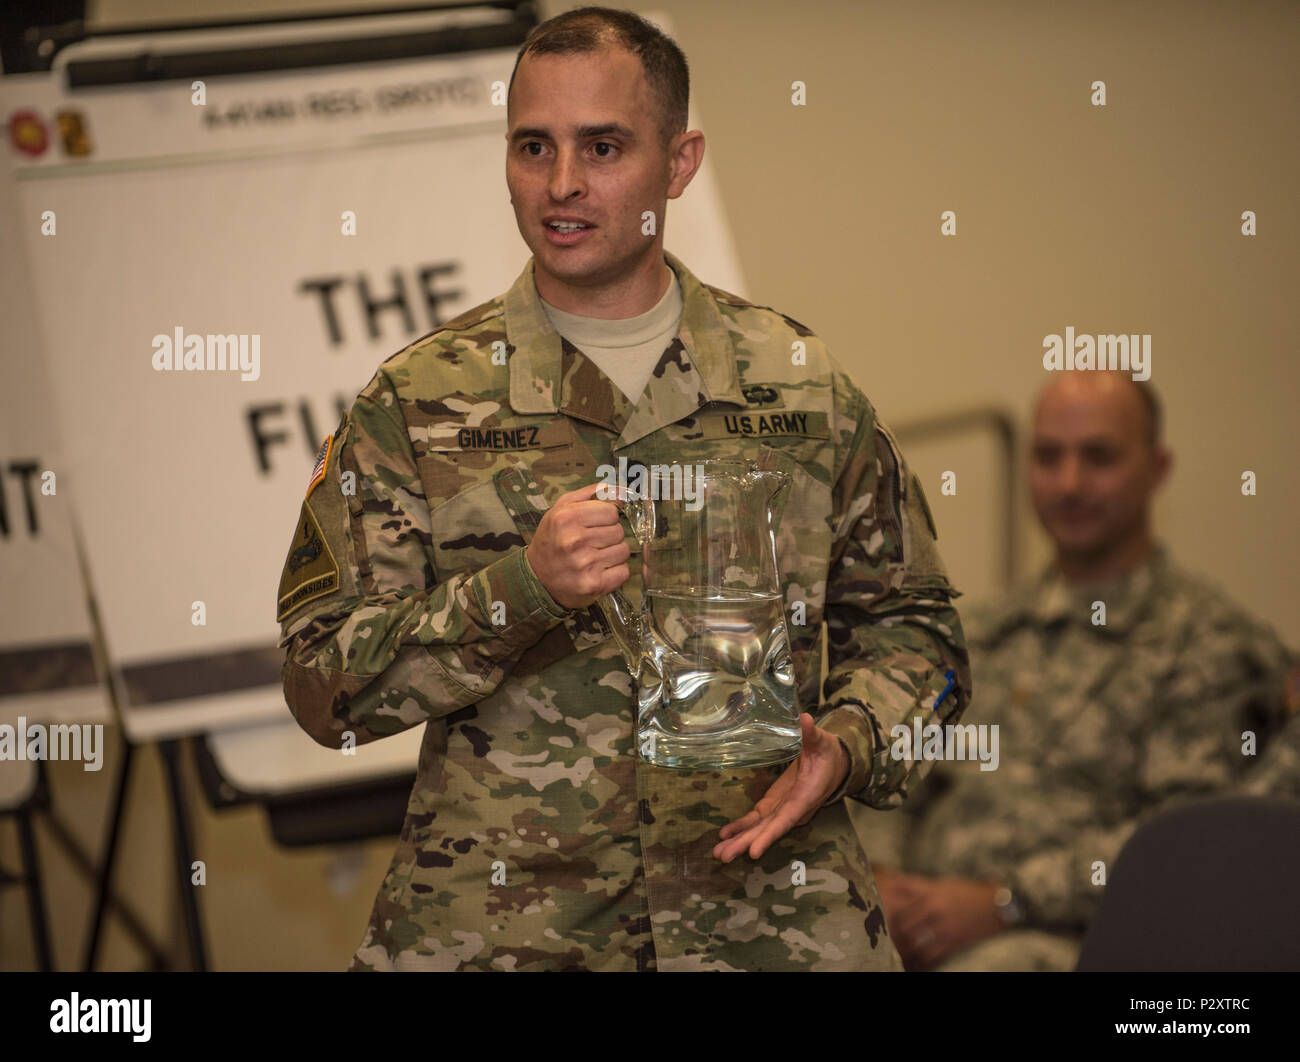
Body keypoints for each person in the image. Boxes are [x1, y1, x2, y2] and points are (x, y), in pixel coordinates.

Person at [275, 6, 969, 972]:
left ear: (678, 164)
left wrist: (848, 743)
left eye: (602, 147)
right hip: (508, 932)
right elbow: (321, 685)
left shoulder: (800, 386)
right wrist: (522, 590)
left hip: (768, 926)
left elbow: (920, 638)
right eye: (533, 146)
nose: (562, 185)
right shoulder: (417, 403)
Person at [864, 370, 1296, 971]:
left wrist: (1008, 902)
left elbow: (1180, 845)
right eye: (1048, 456)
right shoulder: (978, 632)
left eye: (1099, 457)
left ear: (1157, 469)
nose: (1069, 483)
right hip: (914, 930)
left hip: (1075, 943)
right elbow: (898, 780)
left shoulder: (1207, 642)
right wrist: (884, 885)